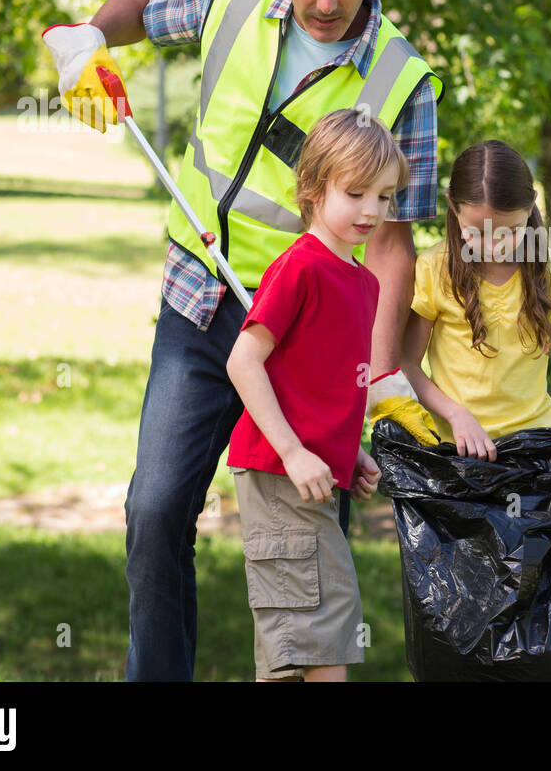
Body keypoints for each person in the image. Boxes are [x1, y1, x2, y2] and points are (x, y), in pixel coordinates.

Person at [42, 0, 444, 680]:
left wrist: (385, 371)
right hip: (200, 298)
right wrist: (86, 36)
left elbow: (396, 246)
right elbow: (143, 7)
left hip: (309, 337)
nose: (325, 1)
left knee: (302, 530)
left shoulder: (405, 81)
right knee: (155, 511)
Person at [224, 109, 400, 682]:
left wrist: (350, 451)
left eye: (384, 195)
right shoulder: (299, 267)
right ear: (312, 187)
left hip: (316, 481)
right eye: (355, 193)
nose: (372, 210)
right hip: (280, 476)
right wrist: (296, 452)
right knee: (299, 647)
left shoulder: (365, 283)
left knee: (326, 636)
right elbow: (243, 360)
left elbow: (322, 386)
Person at [369, 139, 551, 460]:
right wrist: (455, 414)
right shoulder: (435, 268)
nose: (494, 246)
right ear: (453, 207)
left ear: (531, 206)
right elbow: (407, 362)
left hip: (533, 453)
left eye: (509, 231)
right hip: (455, 452)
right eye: (477, 233)